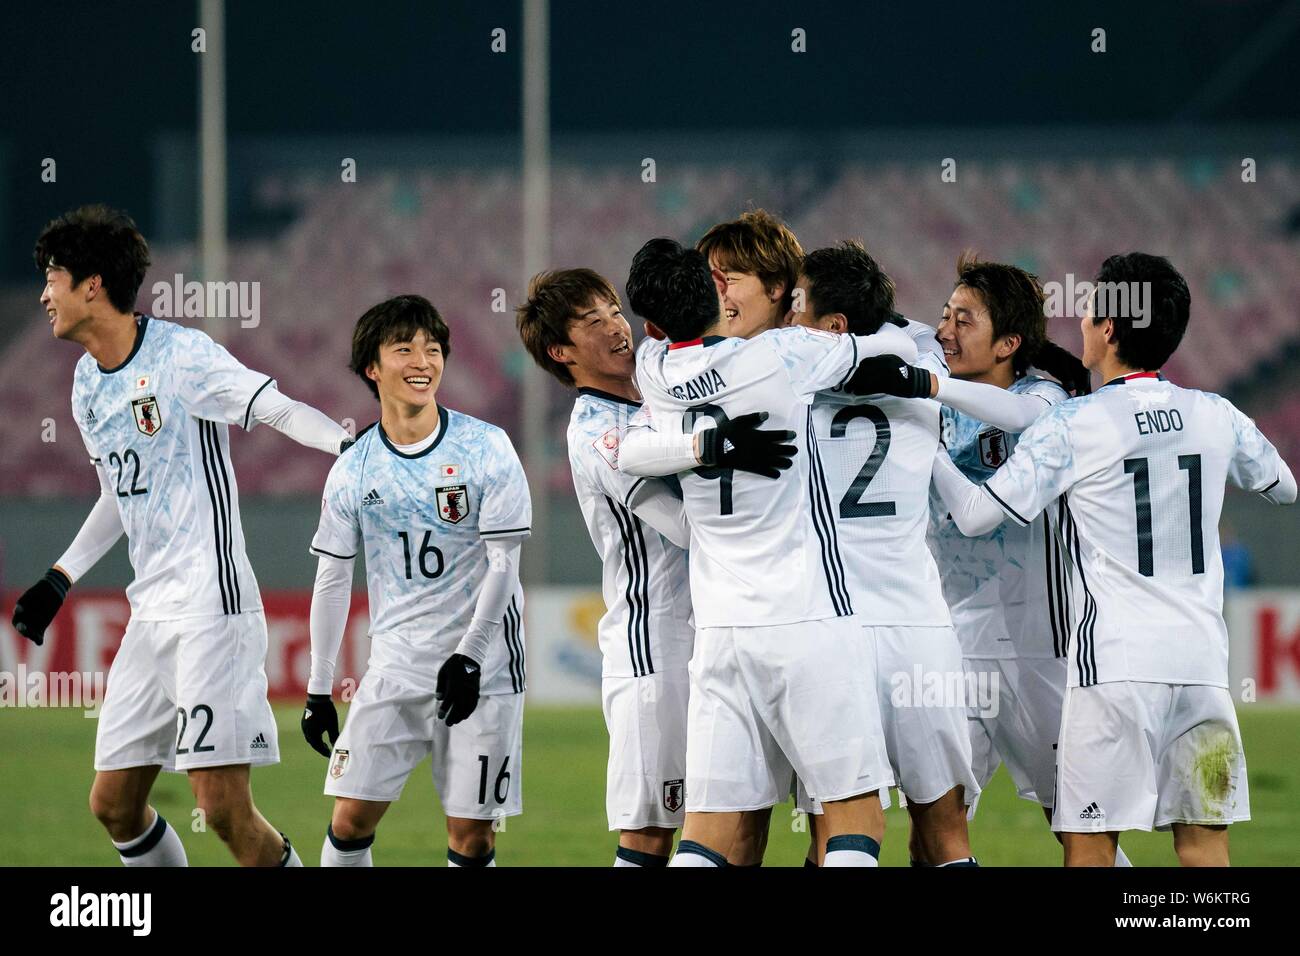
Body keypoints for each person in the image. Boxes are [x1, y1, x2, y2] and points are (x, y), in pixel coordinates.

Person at [928, 253, 1296, 865]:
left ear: (1109, 329)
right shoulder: (1216, 414)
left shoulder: (1077, 424)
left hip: (1115, 669)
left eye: (1091, 309)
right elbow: (1282, 485)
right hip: (1203, 665)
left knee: (1090, 847)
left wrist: (924, 445)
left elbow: (974, 515)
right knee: (1206, 848)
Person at [13, 204, 350, 866]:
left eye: (52, 275)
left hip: (209, 604)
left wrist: (346, 444)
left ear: (92, 285)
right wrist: (61, 577)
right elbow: (119, 489)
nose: (43, 292)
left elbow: (273, 406)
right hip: (152, 611)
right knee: (113, 803)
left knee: (221, 808)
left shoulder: (182, 356)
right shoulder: (86, 383)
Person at [620, 237, 921, 867]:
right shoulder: (785, 354)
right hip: (806, 614)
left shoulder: (651, 366)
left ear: (651, 325)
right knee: (854, 815)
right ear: (715, 291)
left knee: (706, 838)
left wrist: (710, 445)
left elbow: (630, 454)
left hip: (722, 630)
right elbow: (892, 346)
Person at [302, 295, 530, 867]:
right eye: (403, 348)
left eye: (432, 349)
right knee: (349, 819)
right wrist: (317, 686)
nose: (422, 360)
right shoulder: (352, 469)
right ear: (372, 368)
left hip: (486, 668)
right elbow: (332, 579)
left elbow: (504, 564)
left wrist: (472, 657)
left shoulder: (486, 447)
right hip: (395, 668)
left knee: (472, 836)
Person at [788, 241, 979, 867]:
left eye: (798, 304)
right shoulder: (926, 369)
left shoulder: (787, 388)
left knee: (835, 833)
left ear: (834, 327)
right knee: (946, 836)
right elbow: (912, 336)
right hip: (919, 629)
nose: (787, 316)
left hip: (830, 631)